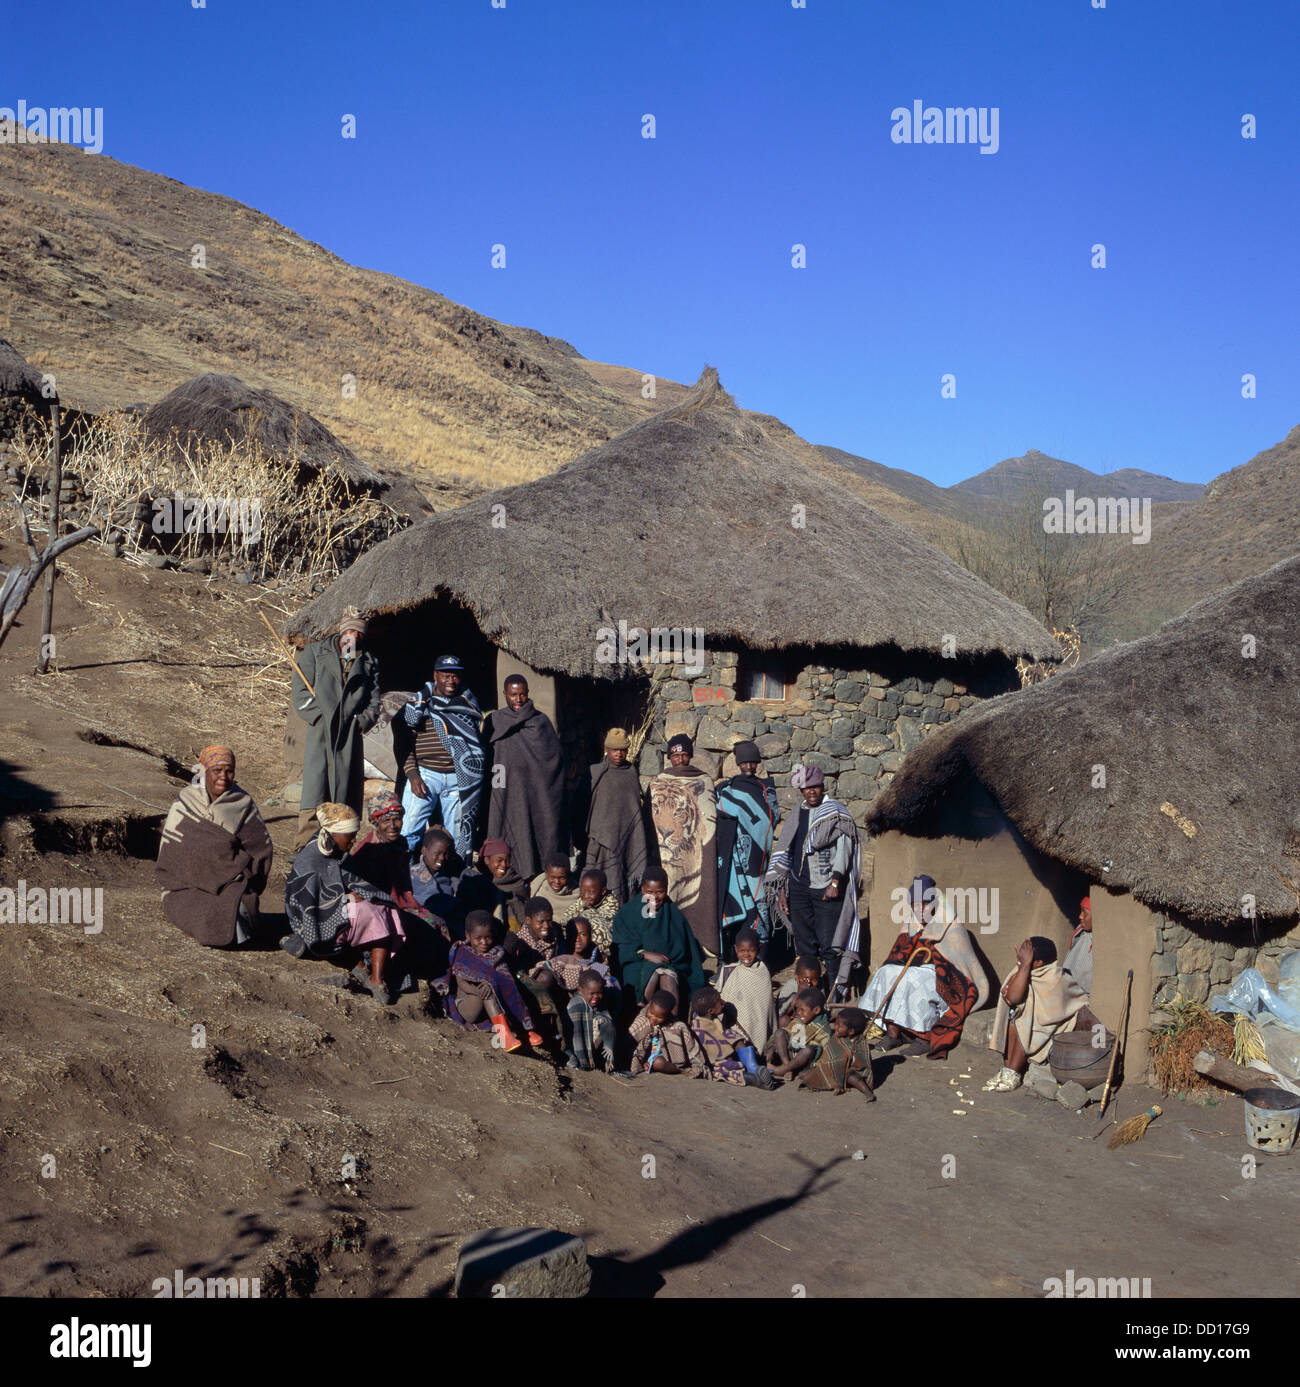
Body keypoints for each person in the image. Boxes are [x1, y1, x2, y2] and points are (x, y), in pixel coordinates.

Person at [283, 802, 407, 1003]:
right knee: (371, 913)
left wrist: (355, 894)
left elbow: (349, 880)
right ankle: (367, 972)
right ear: (333, 834)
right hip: (314, 919)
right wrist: (345, 899)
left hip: (340, 910)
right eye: (349, 835)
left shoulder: (340, 854)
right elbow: (307, 900)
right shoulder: (311, 858)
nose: (353, 840)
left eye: (355, 834)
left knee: (384, 906)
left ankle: (376, 978)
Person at [862, 874, 989, 1061]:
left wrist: (925, 957)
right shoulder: (911, 921)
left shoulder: (950, 923)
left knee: (914, 981)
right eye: (915, 904)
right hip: (915, 969)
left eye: (925, 904)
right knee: (885, 973)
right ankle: (893, 1033)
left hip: (942, 978)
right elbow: (898, 953)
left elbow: (957, 966)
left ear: (933, 903)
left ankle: (924, 1037)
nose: (920, 910)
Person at [156, 745, 272, 947]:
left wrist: (238, 875)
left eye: (229, 771)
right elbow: (172, 854)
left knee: (237, 908)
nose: (223, 777)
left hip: (229, 883)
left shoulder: (243, 804)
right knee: (205, 915)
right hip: (183, 885)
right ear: (203, 772)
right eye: (217, 770)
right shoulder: (186, 802)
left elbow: (261, 852)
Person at [765, 764, 862, 998]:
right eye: (807, 788)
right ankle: (809, 993)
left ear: (822, 786)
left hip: (825, 885)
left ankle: (834, 993)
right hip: (798, 886)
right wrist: (782, 890)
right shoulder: (798, 813)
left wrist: (836, 882)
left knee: (829, 944)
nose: (811, 792)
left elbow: (844, 849)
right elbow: (788, 849)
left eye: (815, 787)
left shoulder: (836, 813)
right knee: (804, 942)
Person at [292, 607, 382, 850]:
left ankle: (339, 844)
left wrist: (360, 722)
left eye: (358, 634)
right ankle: (306, 845)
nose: (352, 637)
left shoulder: (368, 662)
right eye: (349, 631)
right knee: (316, 785)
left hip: (349, 736)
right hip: (320, 733)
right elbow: (300, 691)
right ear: (342, 631)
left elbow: (374, 703)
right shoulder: (315, 652)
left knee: (344, 787)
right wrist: (321, 717)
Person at [398, 654, 486, 859]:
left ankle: (452, 882)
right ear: (435, 675)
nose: (451, 681)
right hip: (426, 776)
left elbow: (475, 742)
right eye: (446, 675)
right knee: (409, 830)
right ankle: (405, 877)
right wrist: (412, 775)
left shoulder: (467, 704)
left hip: (459, 780)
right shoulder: (420, 707)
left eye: (455, 676)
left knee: (455, 837)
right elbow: (403, 744)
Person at [483, 675, 566, 882]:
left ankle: (534, 879)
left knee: (536, 831)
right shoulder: (495, 721)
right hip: (504, 788)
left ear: (528, 694)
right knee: (504, 828)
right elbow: (488, 756)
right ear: (504, 695)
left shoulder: (540, 722)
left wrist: (540, 782)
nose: (518, 699)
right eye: (513, 695)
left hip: (536, 793)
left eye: (522, 694)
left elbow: (554, 760)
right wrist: (497, 783)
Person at [985, 937, 1093, 1093]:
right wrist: (1022, 966)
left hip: (1053, 1025)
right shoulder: (1025, 969)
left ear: (1039, 963)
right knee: (1014, 1022)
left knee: (1024, 1024)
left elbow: (1046, 1016)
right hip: (1032, 1020)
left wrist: (1024, 967)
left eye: (1025, 956)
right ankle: (1007, 1069)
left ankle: (1013, 1074)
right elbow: (1011, 997)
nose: (1020, 957)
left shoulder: (1054, 978)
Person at [649, 733, 720, 958]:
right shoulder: (657, 781)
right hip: (661, 854)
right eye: (675, 754)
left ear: (690, 756)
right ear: (669, 756)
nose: (679, 759)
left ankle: (696, 950)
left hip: (691, 856)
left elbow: (709, 820)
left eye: (684, 754)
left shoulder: (704, 781)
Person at [436, 910, 543, 1052]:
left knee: (508, 984)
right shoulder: (463, 953)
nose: (484, 942)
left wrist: (490, 984)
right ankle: (504, 1035)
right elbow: (462, 984)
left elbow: (506, 980)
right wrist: (479, 990)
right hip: (468, 1004)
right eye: (478, 938)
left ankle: (522, 1028)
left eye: (488, 937)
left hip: (493, 1005)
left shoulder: (496, 953)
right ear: (468, 935)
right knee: (488, 990)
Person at [715, 740, 779, 959]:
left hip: (756, 862)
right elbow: (721, 807)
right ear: (738, 764)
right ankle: (731, 960)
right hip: (734, 859)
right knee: (733, 904)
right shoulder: (727, 788)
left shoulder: (766, 789)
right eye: (745, 763)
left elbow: (770, 819)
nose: (750, 767)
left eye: (753, 762)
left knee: (759, 906)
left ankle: (760, 960)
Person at [611, 867, 706, 1011]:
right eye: (649, 892)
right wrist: (646, 954)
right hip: (636, 963)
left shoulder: (674, 915)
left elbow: (683, 951)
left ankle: (672, 1025)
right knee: (652, 973)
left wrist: (664, 962)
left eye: (659, 892)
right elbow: (622, 951)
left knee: (667, 975)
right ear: (642, 889)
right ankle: (641, 1020)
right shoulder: (627, 913)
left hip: (670, 964)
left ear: (666, 890)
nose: (654, 897)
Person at [576, 728, 649, 905]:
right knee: (596, 885)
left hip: (627, 843)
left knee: (622, 884)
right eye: (614, 750)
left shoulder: (631, 773)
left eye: (622, 750)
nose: (618, 754)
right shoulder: (594, 773)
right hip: (599, 843)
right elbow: (580, 806)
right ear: (606, 749)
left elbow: (633, 810)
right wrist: (582, 837)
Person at [688, 987, 779, 1088]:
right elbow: (711, 1053)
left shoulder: (711, 1017)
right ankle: (753, 1078)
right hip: (716, 1062)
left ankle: (752, 1068)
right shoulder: (699, 1029)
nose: (723, 1003)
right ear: (711, 1010)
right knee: (722, 1072)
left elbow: (724, 1034)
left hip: (731, 1055)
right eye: (719, 1002)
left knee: (735, 1038)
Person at [502, 897, 568, 1036]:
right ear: (528, 920)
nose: (546, 926)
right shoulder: (519, 941)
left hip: (553, 985)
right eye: (541, 922)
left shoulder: (555, 935)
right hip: (527, 986)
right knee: (545, 978)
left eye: (549, 920)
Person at [715, 927, 777, 1054]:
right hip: (734, 1028)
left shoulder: (763, 971)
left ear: (758, 948)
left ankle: (757, 1053)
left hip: (758, 1029)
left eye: (751, 950)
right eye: (742, 951)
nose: (746, 955)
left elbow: (765, 1009)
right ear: (735, 949)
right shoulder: (728, 971)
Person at [798, 1006, 876, 1100]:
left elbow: (862, 1061)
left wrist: (844, 1063)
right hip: (836, 1069)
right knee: (804, 1073)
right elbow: (829, 1053)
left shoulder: (860, 1043)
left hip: (853, 1072)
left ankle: (868, 1093)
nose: (835, 1027)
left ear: (851, 1031)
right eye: (835, 1023)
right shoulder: (838, 1037)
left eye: (840, 1026)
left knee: (853, 1078)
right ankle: (837, 1083)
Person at [409, 826, 471, 937]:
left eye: (445, 854)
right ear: (424, 850)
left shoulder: (450, 876)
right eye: (437, 853)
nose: (442, 858)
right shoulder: (411, 875)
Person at [457, 837, 530, 931]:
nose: (504, 865)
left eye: (507, 860)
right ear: (487, 860)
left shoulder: (516, 882)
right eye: (499, 860)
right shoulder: (475, 881)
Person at [629, 990, 707, 1077]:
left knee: (658, 1063)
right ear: (649, 1005)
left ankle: (679, 1070)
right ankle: (646, 1064)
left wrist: (697, 1066)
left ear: (668, 1014)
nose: (653, 1019)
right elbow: (632, 1040)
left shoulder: (677, 1027)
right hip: (646, 1055)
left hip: (667, 1058)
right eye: (651, 1013)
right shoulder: (642, 1018)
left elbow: (692, 1049)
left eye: (659, 1017)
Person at [767, 987, 832, 1083]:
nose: (798, 1012)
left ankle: (782, 1070)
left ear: (816, 1010)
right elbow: (787, 1033)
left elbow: (824, 1053)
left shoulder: (823, 1029)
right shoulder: (799, 1020)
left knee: (808, 1050)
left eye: (802, 1010)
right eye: (797, 1009)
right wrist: (772, 1048)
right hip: (791, 1056)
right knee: (780, 1033)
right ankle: (787, 1066)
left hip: (804, 1062)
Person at [558, 867, 619, 955]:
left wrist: (588, 911)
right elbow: (565, 920)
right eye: (583, 891)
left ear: (603, 891)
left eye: (591, 892)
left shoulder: (612, 903)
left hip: (600, 952)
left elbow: (603, 926)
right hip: (576, 948)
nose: (586, 896)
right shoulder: (583, 901)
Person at [566, 969, 618, 1073]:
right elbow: (576, 1035)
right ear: (580, 991)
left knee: (606, 1025)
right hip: (575, 1047)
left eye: (599, 993)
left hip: (593, 1046)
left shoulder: (602, 1003)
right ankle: (585, 1062)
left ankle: (602, 1062)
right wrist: (582, 1060)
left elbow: (608, 1023)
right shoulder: (576, 1005)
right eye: (592, 993)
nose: (595, 997)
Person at [1062, 895, 1094, 993]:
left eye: (1085, 912)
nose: (1080, 916)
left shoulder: (1098, 942)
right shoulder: (1081, 932)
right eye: (1081, 911)